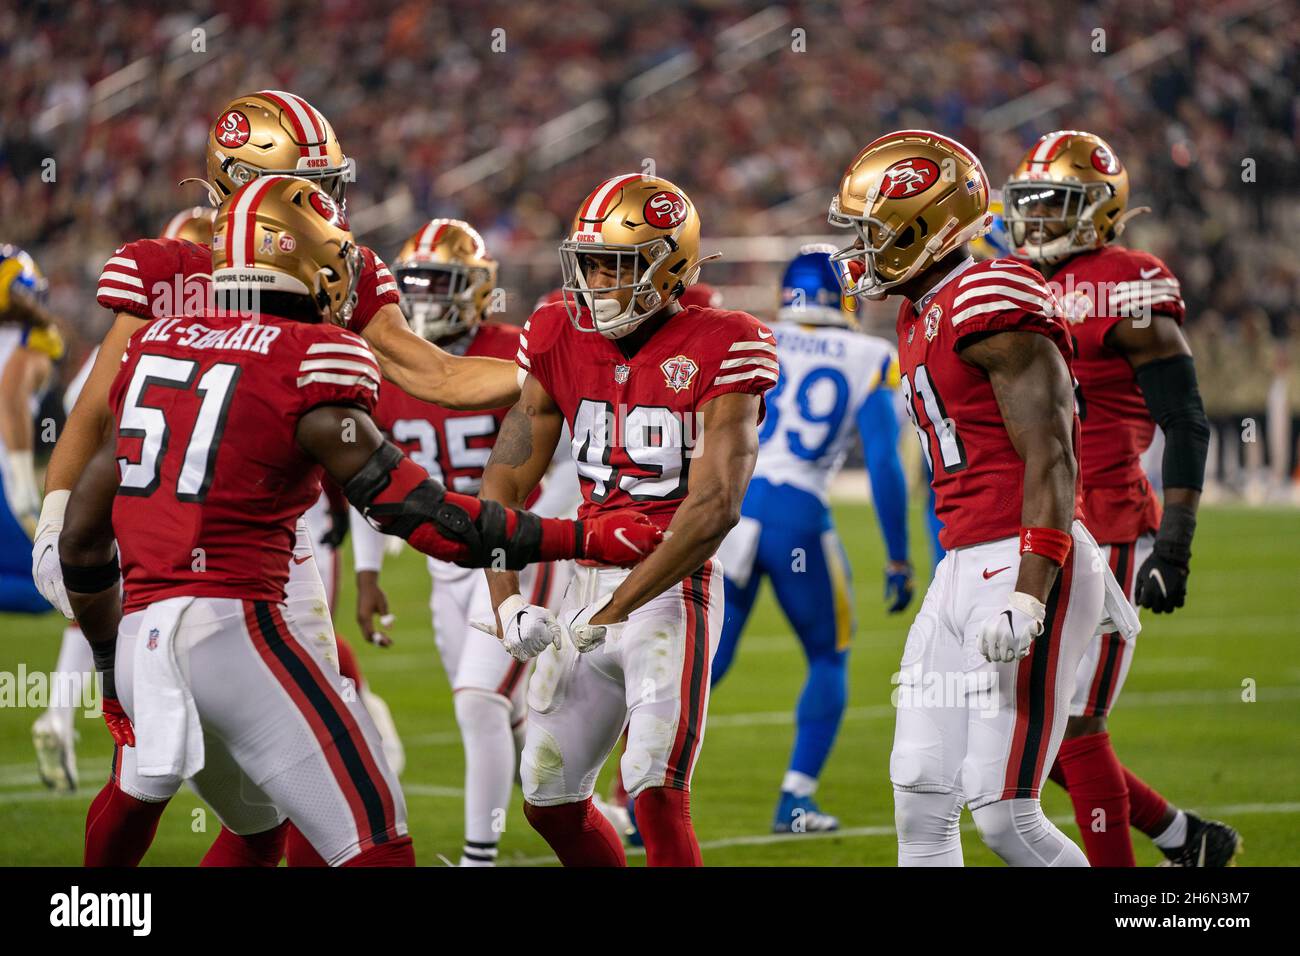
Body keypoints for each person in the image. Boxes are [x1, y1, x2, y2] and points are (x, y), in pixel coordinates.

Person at [57, 175, 664, 867]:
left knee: (240, 826)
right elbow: (426, 517)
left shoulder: (155, 347)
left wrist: (110, 664)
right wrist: (576, 536)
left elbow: (81, 535)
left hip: (141, 634)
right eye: (338, 257)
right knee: (376, 839)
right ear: (306, 259)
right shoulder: (313, 357)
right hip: (235, 632)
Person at [829, 129, 1117, 866]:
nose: (861, 250)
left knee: (1004, 816)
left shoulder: (989, 292)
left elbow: (1053, 450)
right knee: (921, 795)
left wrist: (1031, 590)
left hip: (1023, 559)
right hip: (960, 563)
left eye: (878, 231)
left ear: (928, 229)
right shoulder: (917, 308)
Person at [480, 174, 777, 866]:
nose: (597, 281)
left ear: (670, 265)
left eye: (617, 264)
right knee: (546, 798)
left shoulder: (726, 342)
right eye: (590, 262)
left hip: (669, 590)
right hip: (586, 585)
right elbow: (503, 480)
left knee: (653, 787)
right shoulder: (557, 331)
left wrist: (618, 605)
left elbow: (714, 510)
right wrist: (507, 599)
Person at [1004, 129, 1239, 866]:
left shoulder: (1126, 282)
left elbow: (1186, 418)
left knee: (1073, 725)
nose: (1038, 219)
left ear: (1101, 209)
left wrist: (1175, 544)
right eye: (1031, 202)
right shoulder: (1007, 276)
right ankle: (1184, 839)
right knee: (1031, 730)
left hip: (1106, 526)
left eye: (1057, 203)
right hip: (1030, 525)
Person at [350, 218, 574, 866]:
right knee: (500, 714)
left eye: (438, 284)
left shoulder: (514, 348)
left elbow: (569, 465)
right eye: (412, 284)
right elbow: (369, 475)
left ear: (476, 288)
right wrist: (367, 571)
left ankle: (478, 859)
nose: (421, 300)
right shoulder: (391, 364)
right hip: (444, 561)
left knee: (478, 701)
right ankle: (577, 804)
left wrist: (524, 530)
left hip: (511, 555)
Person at [712, 245, 911, 833]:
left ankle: (635, 794)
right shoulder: (872, 354)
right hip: (798, 516)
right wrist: (898, 555)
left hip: (732, 513)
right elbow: (883, 463)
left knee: (704, 663)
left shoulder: (754, 335)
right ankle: (795, 799)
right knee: (829, 655)